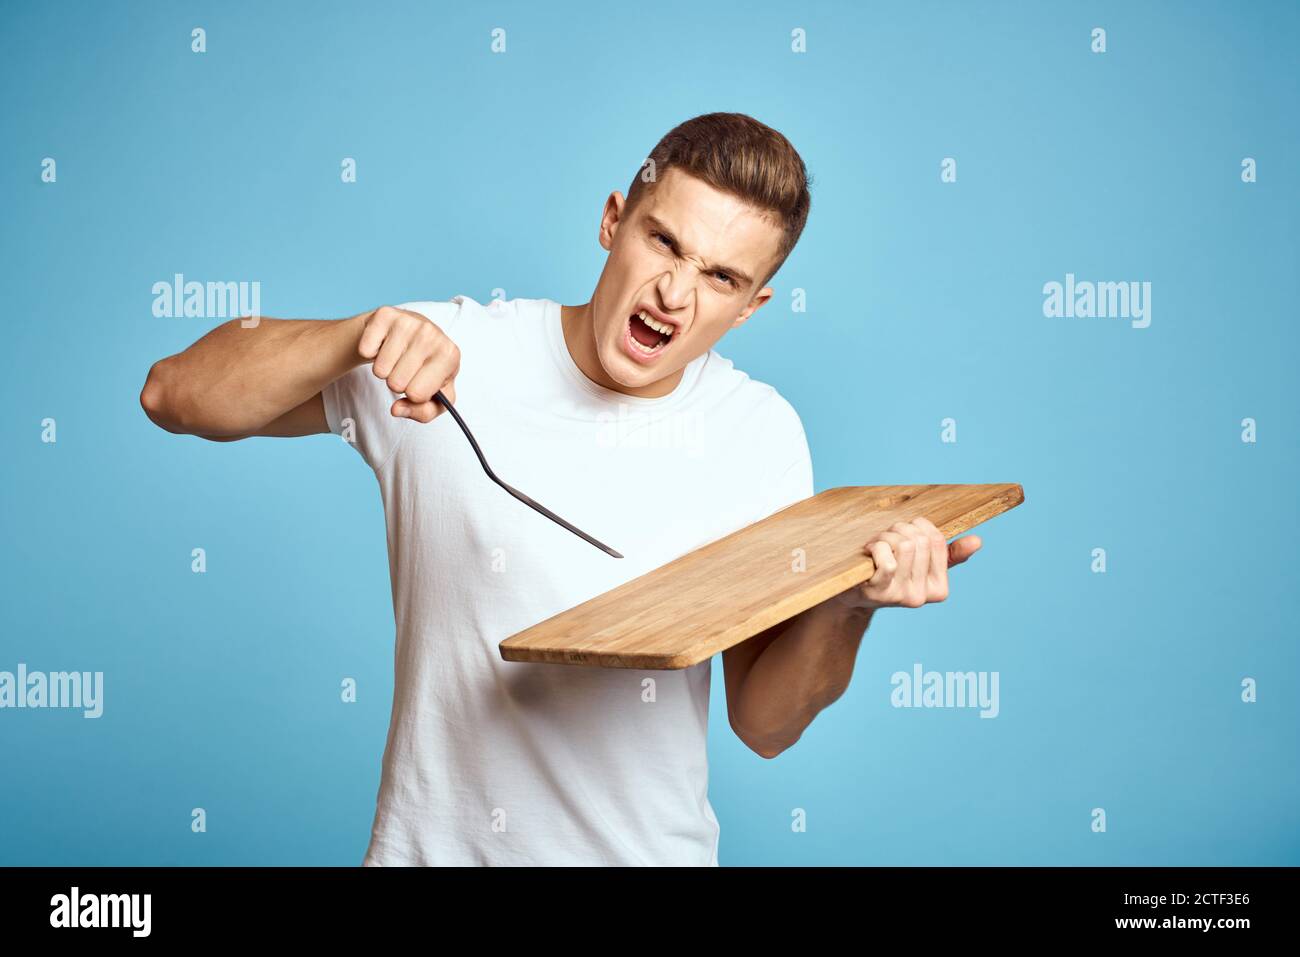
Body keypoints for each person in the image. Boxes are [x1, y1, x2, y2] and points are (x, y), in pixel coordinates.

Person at [139, 112, 981, 866]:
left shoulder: (758, 433)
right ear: (613, 220)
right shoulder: (451, 351)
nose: (676, 295)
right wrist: (355, 337)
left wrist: (850, 606)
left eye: (721, 278)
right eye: (664, 242)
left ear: (752, 306)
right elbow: (173, 394)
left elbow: (763, 725)